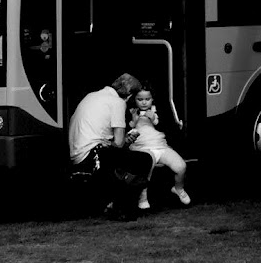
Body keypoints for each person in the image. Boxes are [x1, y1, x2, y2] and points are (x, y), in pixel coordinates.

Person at [66, 73, 152, 219]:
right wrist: (127, 139)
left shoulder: (91, 96)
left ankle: (115, 202)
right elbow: (119, 144)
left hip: (77, 155)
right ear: (130, 96)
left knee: (123, 162)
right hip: (92, 156)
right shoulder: (117, 102)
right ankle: (123, 207)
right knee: (144, 159)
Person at [128, 88, 190, 209]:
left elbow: (169, 128)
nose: (144, 102)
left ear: (152, 99)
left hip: (160, 145)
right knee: (145, 170)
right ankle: (142, 197)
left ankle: (178, 188)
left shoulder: (158, 110)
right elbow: (126, 131)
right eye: (140, 99)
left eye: (147, 99)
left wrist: (155, 119)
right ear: (134, 100)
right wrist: (133, 121)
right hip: (141, 148)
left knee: (181, 166)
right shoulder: (131, 112)